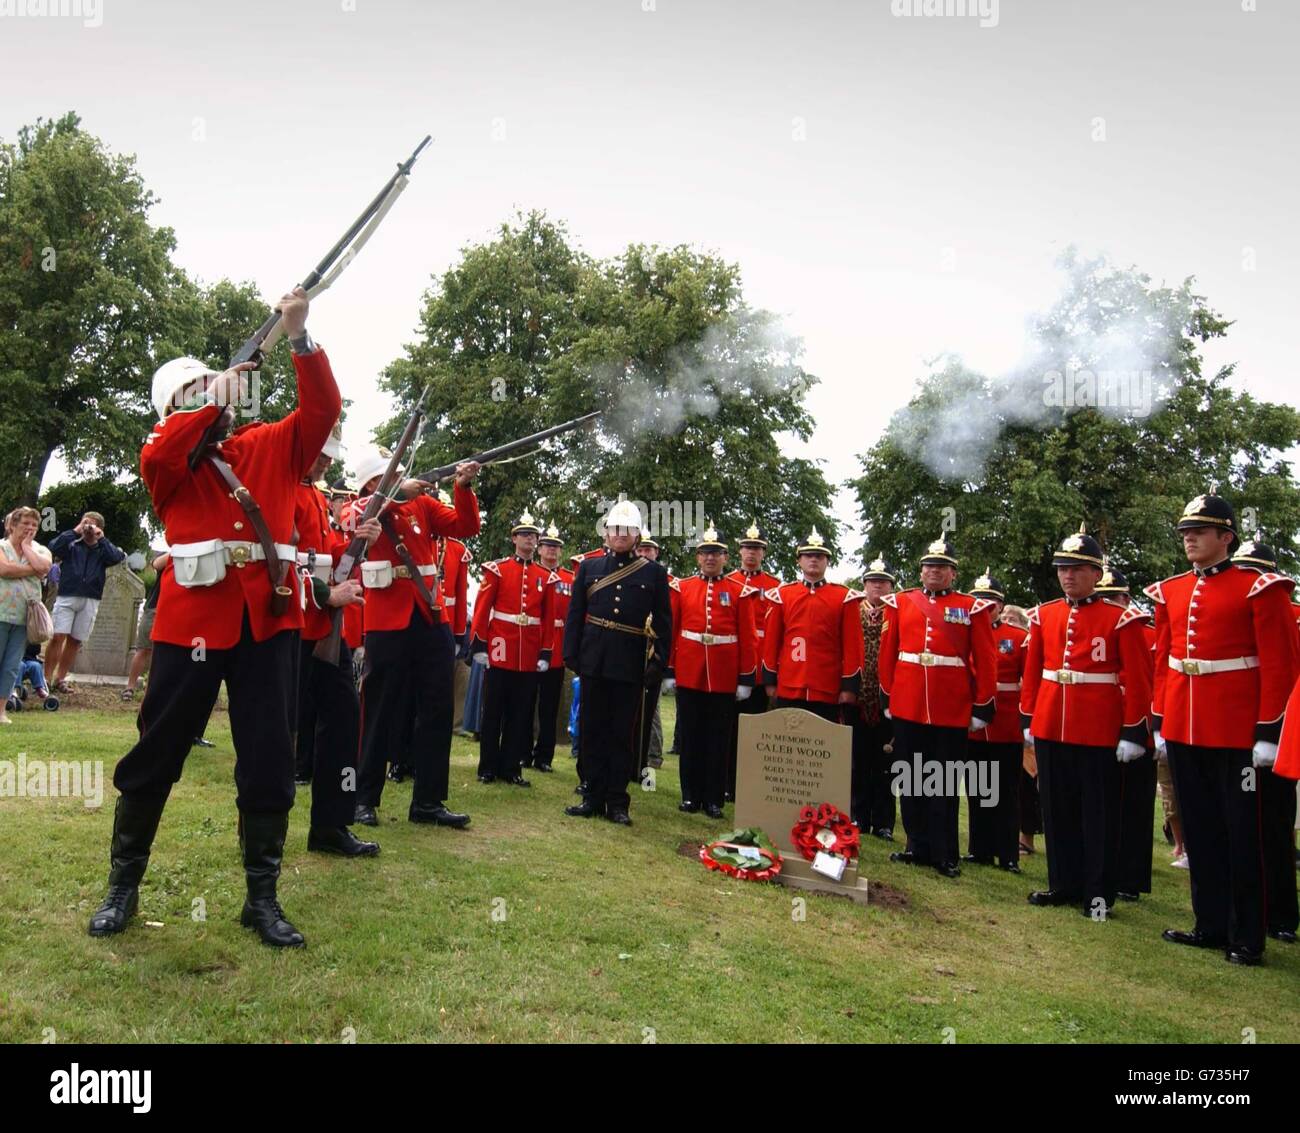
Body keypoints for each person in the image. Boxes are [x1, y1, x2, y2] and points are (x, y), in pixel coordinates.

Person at [88, 287, 338, 948]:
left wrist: (298, 338)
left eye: (215, 388)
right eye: (196, 393)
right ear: (178, 408)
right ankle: (123, 886)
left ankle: (261, 898)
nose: (215, 400)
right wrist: (214, 392)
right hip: (190, 624)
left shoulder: (267, 447)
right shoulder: (164, 459)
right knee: (157, 751)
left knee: (266, 759)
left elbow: (322, 411)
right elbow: (169, 446)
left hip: (267, 625)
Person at [1151, 497, 1296, 963]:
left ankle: (1248, 936)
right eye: (1185, 531)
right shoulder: (1172, 590)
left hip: (1237, 735)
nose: (1189, 538)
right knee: (1201, 829)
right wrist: (1159, 721)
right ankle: (1209, 924)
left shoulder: (1259, 587)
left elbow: (1278, 666)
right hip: (1185, 727)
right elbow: (1164, 664)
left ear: (1226, 537)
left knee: (1242, 833)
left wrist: (1268, 733)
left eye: (1200, 531)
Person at [1019, 525, 1153, 918]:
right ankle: (1062, 883)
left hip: (1098, 729)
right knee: (1056, 809)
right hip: (1051, 723)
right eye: (1063, 568)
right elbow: (1034, 672)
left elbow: (1139, 680)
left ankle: (1097, 893)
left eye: (1077, 569)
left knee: (1098, 814)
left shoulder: (1122, 618)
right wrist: (1030, 717)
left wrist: (1133, 730)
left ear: (1097, 574)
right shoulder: (1045, 615)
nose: (1068, 576)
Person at [350, 446, 480, 830]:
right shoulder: (364, 507)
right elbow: (359, 516)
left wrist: (463, 485)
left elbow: (465, 526)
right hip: (387, 621)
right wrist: (397, 492)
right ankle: (363, 798)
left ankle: (429, 800)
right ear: (374, 482)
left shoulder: (421, 505)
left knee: (438, 710)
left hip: (430, 616)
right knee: (379, 710)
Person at [878, 532, 996, 878]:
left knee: (943, 780)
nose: (934, 571)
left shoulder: (972, 608)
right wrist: (888, 695)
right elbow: (889, 653)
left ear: (953, 573)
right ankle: (916, 844)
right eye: (929, 565)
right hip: (909, 703)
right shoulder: (901, 603)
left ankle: (945, 853)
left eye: (942, 567)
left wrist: (982, 706)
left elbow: (985, 661)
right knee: (911, 777)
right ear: (920, 571)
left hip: (950, 707)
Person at [291, 423, 380, 858]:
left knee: (344, 722)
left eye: (329, 455)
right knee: (276, 732)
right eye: (319, 453)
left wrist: (354, 540)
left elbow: (323, 550)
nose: (326, 460)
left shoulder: (313, 493)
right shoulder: (284, 488)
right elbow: (279, 558)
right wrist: (328, 594)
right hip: (291, 630)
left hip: (324, 630)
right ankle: (257, 827)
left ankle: (331, 823)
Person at [563, 499, 672, 825]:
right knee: (592, 729)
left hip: (629, 661)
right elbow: (575, 615)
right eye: (615, 529)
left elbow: (665, 623)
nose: (620, 534)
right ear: (607, 533)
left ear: (637, 535)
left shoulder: (653, 573)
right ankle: (591, 796)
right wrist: (571, 652)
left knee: (622, 734)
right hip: (594, 658)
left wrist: (659, 663)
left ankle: (617, 801)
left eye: (627, 529)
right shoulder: (589, 568)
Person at [1231, 535, 1299, 943]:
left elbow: (1284, 675)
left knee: (1272, 825)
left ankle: (1281, 914)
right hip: (1242, 731)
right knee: (1245, 824)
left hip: (1275, 733)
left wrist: (1273, 732)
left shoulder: (1287, 612)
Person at [664, 523, 757, 818]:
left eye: (716, 554)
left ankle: (714, 798)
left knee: (718, 739)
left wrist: (745, 678)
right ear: (697, 557)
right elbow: (672, 631)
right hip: (690, 672)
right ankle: (690, 795)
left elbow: (748, 637)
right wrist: (669, 670)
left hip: (723, 675)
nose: (710, 558)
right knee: (690, 736)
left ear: (726, 558)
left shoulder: (740, 592)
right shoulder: (683, 588)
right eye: (705, 553)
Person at [470, 510, 555, 787]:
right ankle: (487, 767)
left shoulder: (546, 576)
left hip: (528, 650)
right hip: (500, 645)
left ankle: (511, 767)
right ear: (514, 538)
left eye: (533, 536)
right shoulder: (498, 569)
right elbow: (482, 610)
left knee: (520, 713)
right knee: (493, 710)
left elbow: (548, 617)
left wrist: (545, 652)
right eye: (525, 535)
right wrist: (480, 644)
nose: (530, 540)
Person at [1095, 561, 1160, 901]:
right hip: (1103, 725)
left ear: (1126, 598)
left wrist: (1148, 730)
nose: (1107, 604)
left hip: (1137, 729)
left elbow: (1152, 684)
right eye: (1101, 597)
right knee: (1106, 804)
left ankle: (1131, 877)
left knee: (1135, 806)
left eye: (1113, 597)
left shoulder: (1147, 632)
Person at [964, 570, 1027, 873]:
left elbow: (1028, 681)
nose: (984, 607)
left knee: (1006, 791)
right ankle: (979, 849)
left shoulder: (1017, 638)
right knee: (977, 788)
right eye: (978, 601)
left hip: (1005, 722)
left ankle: (1008, 853)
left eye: (990, 602)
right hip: (974, 723)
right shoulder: (963, 633)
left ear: (1001, 606)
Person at [725, 523, 781, 800]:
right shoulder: (730, 582)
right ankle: (725, 780)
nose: (751, 553)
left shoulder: (774, 587)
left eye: (756, 549)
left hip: (760, 667)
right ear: (739, 550)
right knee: (728, 728)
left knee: (754, 729)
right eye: (747, 548)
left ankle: (747, 784)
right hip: (731, 661)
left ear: (763, 553)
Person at [46, 511, 127, 691]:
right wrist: (76, 531)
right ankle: (45, 678)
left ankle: (60, 679)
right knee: (58, 636)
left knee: (75, 640)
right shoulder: (71, 544)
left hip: (90, 598)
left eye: (93, 524)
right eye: (86, 523)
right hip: (67, 595)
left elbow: (116, 558)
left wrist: (101, 539)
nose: (88, 527)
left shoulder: (103, 549)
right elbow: (54, 547)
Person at [852, 555, 897, 838]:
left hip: (888, 697)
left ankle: (883, 822)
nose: (877, 586)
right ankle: (857, 815)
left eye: (883, 582)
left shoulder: (899, 611)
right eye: (872, 581)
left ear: (892, 586)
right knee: (857, 759)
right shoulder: (852, 610)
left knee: (886, 763)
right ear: (864, 584)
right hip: (857, 693)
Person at [0, 506, 53, 724]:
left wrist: (25, 547)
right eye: (25, 524)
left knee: (12, 665)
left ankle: (1, 711)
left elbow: (45, 567)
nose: (30, 528)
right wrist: (33, 569)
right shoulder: (1, 546)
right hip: (1, 613)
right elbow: (4, 570)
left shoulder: (40, 549)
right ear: (12, 525)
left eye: (34, 525)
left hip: (24, 618)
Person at [530, 521, 572, 772]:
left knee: (549, 707)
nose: (552, 552)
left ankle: (544, 756)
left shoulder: (569, 579)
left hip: (556, 648)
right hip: (532, 644)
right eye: (548, 546)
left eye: (556, 547)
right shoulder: (531, 572)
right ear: (539, 549)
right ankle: (522, 750)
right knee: (525, 703)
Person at [634, 534, 673, 772]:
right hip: (630, 652)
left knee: (653, 709)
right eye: (641, 550)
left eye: (649, 550)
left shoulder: (663, 579)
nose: (644, 554)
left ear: (656, 553)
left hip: (652, 654)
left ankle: (654, 755)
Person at [122, 544, 170, 702]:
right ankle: (130, 687)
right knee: (143, 649)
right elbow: (156, 564)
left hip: (175, 610)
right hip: (154, 608)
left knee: (163, 653)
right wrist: (181, 549)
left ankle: (152, 690)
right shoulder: (169, 554)